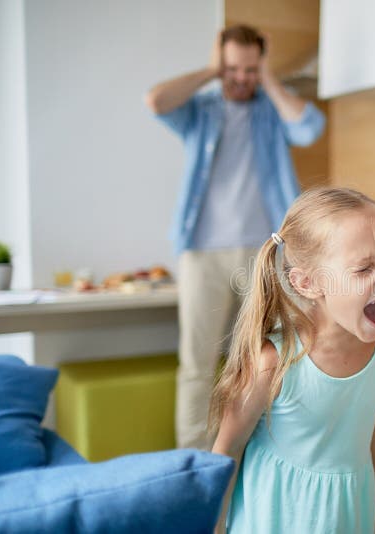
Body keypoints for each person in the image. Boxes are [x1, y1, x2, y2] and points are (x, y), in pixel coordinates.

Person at [144, 24, 325, 449]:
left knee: (269, 356)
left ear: (260, 65)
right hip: (202, 254)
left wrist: (267, 80)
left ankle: (260, 451)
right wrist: (211, 73)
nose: (240, 78)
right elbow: (155, 101)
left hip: (264, 254)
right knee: (197, 363)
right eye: (232, 68)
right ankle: (193, 460)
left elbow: (309, 127)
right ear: (219, 62)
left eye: (249, 69)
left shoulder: (269, 112)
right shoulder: (200, 111)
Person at [209, 187, 375, 533]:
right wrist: (210, 522)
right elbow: (225, 449)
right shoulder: (273, 363)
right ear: (306, 283)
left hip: (350, 513)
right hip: (273, 518)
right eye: (363, 268)